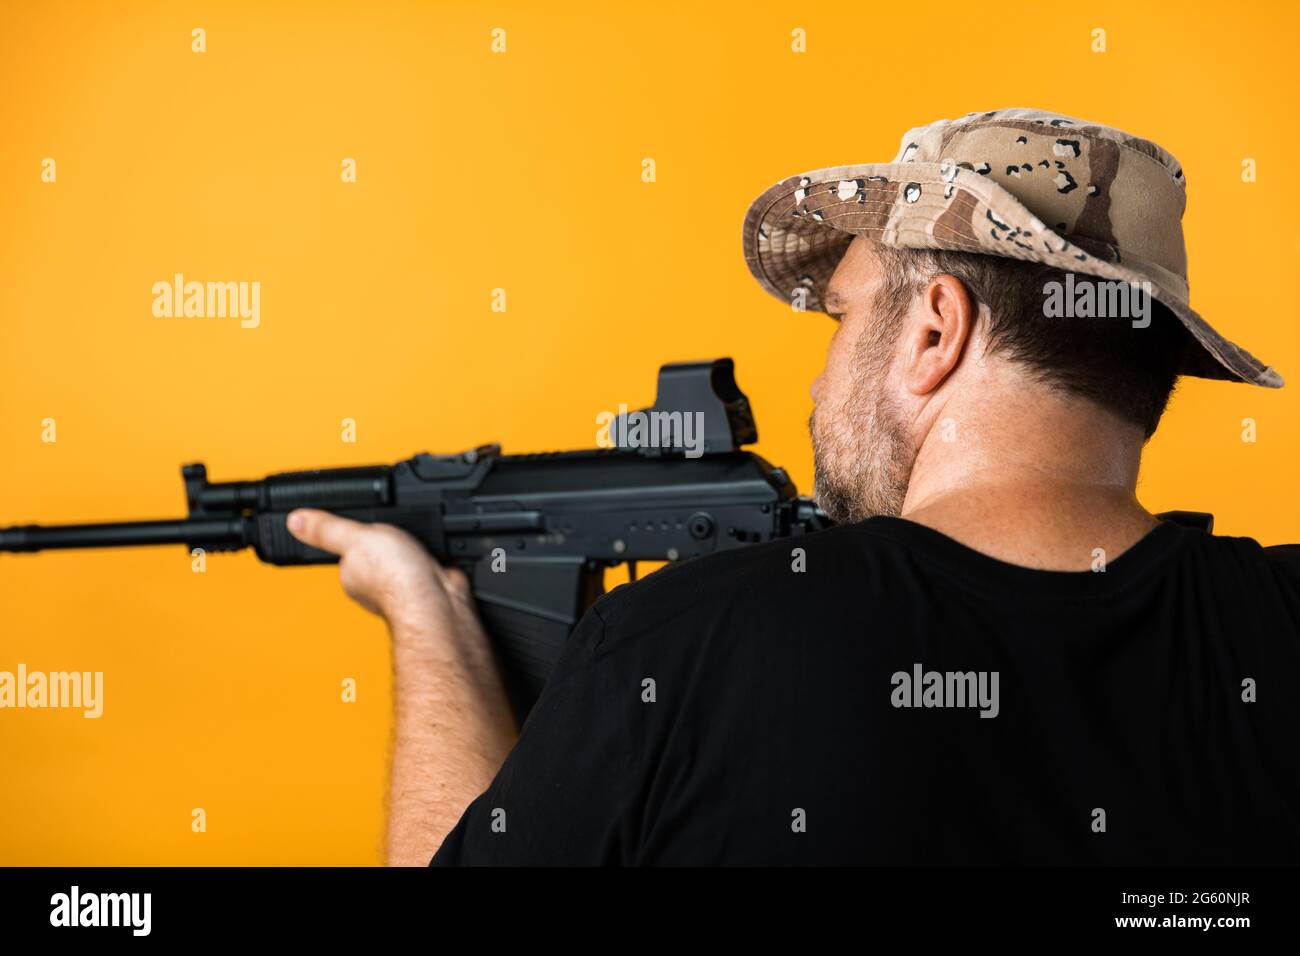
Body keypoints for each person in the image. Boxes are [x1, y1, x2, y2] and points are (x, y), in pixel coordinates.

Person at [288, 109, 1300, 865]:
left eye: (842, 319)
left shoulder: (676, 643)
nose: (818, 383)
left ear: (934, 331)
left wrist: (424, 616)